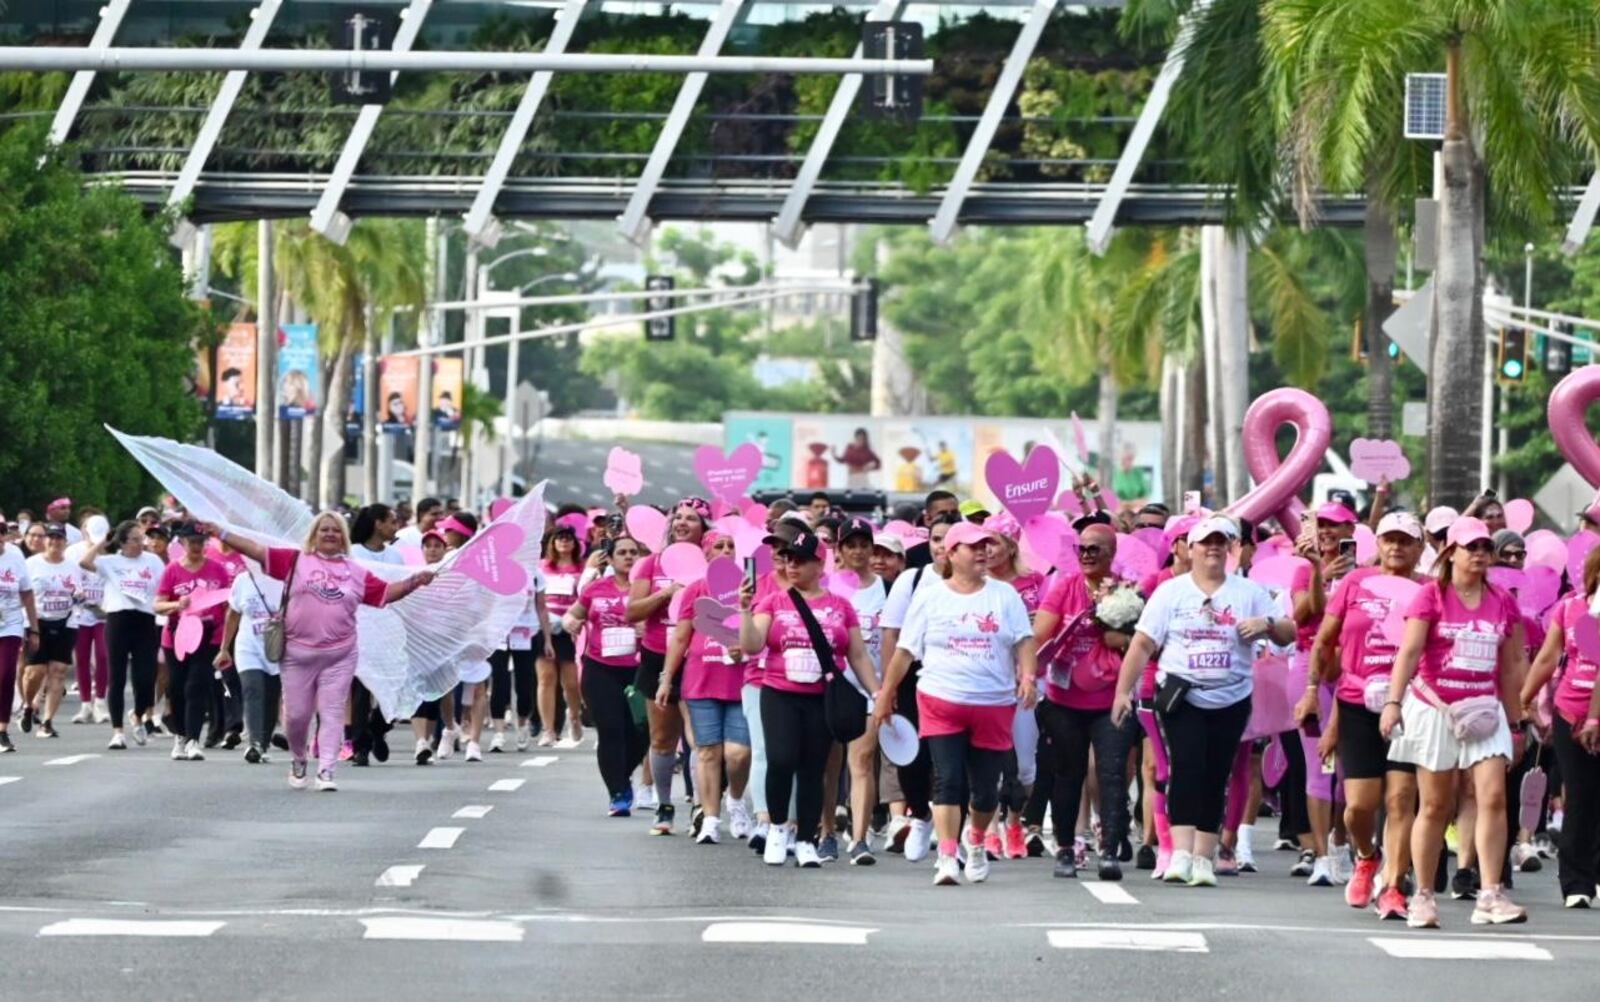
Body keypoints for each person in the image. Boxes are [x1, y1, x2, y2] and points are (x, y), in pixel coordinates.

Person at [1112, 516, 1294, 887]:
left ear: (1230, 549)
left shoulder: (1248, 593)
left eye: (1220, 542)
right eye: (1205, 542)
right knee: (1186, 767)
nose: (1213, 548)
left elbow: (1289, 633)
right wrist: (1121, 692)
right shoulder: (1171, 592)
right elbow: (1143, 643)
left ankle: (1203, 857)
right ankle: (1180, 852)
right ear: (1189, 549)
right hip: (1184, 695)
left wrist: (1267, 625)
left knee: (1217, 774)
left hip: (1232, 697)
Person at [1379, 516, 1529, 927]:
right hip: (1435, 707)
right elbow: (1408, 653)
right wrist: (1393, 702)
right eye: (1472, 548)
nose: (1480, 554)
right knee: (1435, 803)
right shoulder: (1431, 596)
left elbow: (1514, 663)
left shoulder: (1503, 600)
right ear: (1451, 553)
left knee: (1494, 796)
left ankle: (1491, 894)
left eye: (1485, 548)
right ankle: (1424, 895)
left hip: (1485, 709)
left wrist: (1517, 722)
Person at [217, 514, 434, 791]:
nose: (330, 534)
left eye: (335, 530)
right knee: (297, 718)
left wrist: (415, 581)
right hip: (297, 656)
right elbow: (257, 551)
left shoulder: (355, 572)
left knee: (331, 713)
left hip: (340, 655)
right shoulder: (295, 561)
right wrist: (221, 534)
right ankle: (298, 758)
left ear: (343, 537)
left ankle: (327, 771)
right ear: (314, 534)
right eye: (324, 530)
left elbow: (386, 594)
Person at [874, 521, 1037, 886]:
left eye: (986, 546)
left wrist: (1027, 677)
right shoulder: (931, 596)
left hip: (993, 701)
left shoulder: (1004, 595)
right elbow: (905, 651)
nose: (982, 552)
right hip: (941, 696)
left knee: (984, 788)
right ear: (951, 554)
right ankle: (947, 855)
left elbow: (1024, 641)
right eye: (972, 547)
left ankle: (975, 841)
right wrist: (886, 694)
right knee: (946, 780)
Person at [1300, 512, 1424, 917]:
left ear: (1419, 548)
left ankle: (1392, 886)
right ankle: (1367, 856)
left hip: (1410, 706)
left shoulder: (1428, 590)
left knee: (1401, 798)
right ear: (1378, 543)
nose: (1396, 547)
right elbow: (1325, 641)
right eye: (1389, 539)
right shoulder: (1355, 583)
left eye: (1405, 541)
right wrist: (1312, 692)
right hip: (1356, 702)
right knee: (1358, 807)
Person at [739, 527, 879, 868]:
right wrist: (744, 610)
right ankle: (776, 828)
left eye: (801, 561)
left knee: (813, 769)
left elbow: (857, 654)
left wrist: (877, 693)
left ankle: (805, 840)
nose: (792, 567)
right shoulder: (772, 601)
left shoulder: (840, 606)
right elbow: (752, 645)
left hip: (821, 697)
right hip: (779, 692)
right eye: (788, 560)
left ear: (820, 565)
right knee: (781, 759)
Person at [1032, 522, 1140, 880]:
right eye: (1083, 549)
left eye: (1096, 549)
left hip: (1110, 699)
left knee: (1111, 774)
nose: (1088, 555)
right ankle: (1066, 848)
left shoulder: (1126, 590)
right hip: (1063, 699)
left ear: (1111, 553)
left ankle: (1109, 850)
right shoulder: (1064, 588)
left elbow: (1140, 642)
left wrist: (1115, 633)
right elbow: (1039, 635)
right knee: (1068, 774)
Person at [658, 530, 752, 846]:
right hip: (701, 682)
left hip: (740, 683)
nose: (725, 550)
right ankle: (710, 818)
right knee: (707, 751)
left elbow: (760, 633)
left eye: (731, 545)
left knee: (738, 754)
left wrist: (745, 647)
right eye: (719, 546)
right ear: (706, 553)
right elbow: (681, 638)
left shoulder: (749, 589)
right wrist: (666, 678)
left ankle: (736, 801)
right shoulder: (696, 590)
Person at [627, 497, 711, 834]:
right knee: (662, 739)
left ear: (703, 528)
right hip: (657, 656)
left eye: (691, 519)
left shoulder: (713, 562)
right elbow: (632, 613)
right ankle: (664, 805)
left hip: (702, 658)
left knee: (702, 739)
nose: (682, 523)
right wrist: (667, 594)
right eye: (678, 517)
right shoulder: (652, 564)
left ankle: (703, 805)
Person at [879, 513, 960, 861]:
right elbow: (891, 635)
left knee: (954, 762)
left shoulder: (979, 584)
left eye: (949, 540)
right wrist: (889, 686)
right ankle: (921, 815)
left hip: (958, 678)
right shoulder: (912, 580)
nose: (942, 547)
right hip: (913, 676)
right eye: (936, 539)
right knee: (912, 758)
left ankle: (953, 838)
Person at [1289, 501, 1359, 887]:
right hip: (1309, 671)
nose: (1330, 533)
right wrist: (1318, 570)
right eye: (1324, 526)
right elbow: (1304, 613)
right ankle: (1320, 857)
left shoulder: (1365, 573)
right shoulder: (1304, 568)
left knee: (1348, 770)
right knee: (1319, 768)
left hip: (1351, 671)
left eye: (1338, 527)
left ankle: (1340, 844)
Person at [566, 534, 647, 816]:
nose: (628, 557)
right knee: (611, 730)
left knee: (640, 731)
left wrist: (645, 631)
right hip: (600, 668)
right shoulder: (595, 589)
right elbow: (572, 614)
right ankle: (618, 793)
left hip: (638, 668)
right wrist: (572, 623)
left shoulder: (647, 590)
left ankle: (621, 776)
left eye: (633, 552)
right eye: (622, 553)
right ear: (610, 559)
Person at [80, 521, 165, 750]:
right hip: (118, 620)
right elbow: (84, 562)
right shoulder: (110, 562)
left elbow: (164, 586)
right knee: (116, 677)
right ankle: (118, 731)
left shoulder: (153, 561)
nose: (141, 544)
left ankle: (137, 715)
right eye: (135, 539)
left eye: (142, 539)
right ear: (123, 542)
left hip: (145, 620)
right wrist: (101, 543)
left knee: (146, 677)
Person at [153, 524, 233, 761]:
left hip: (209, 635)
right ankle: (180, 734)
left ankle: (193, 740)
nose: (196, 546)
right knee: (176, 688)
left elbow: (228, 605)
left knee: (197, 686)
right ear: (183, 544)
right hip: (177, 636)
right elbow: (158, 604)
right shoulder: (172, 570)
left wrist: (225, 643)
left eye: (200, 541)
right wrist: (177, 605)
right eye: (191, 542)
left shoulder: (217, 570)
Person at [215, 557, 284, 764]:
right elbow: (233, 614)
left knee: (271, 696)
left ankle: (262, 744)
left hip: (276, 646)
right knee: (253, 689)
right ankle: (253, 743)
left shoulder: (283, 580)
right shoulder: (242, 581)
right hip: (248, 647)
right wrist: (224, 648)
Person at [20, 525, 79, 740]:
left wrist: (79, 596)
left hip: (66, 622)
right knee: (34, 672)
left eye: (59, 538)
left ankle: (47, 722)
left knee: (59, 670)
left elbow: (78, 591)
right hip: (37, 622)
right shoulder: (31, 565)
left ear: (66, 542)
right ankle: (28, 705)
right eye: (51, 537)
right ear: (45, 540)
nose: (55, 542)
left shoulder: (72, 567)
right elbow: (23, 593)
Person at [534, 525, 585, 749]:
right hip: (544, 628)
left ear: (575, 543)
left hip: (570, 629)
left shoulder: (582, 569)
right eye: (559, 539)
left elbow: (585, 598)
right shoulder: (542, 567)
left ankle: (574, 715)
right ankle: (548, 729)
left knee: (571, 682)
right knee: (546, 679)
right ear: (552, 543)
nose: (564, 542)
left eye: (568, 538)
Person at [68, 513, 110, 725]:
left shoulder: (111, 554)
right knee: (82, 659)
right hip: (81, 612)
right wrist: (77, 594)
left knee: (103, 657)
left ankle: (101, 702)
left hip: (103, 613)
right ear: (83, 530)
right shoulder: (73, 551)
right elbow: (69, 578)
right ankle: (85, 704)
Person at [0, 528, 39, 753]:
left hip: (10, 624)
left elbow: (26, 593)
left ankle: (2, 730)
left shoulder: (15, 557)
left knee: (5, 675)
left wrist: (34, 629)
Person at [904, 490, 961, 570]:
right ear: (928, 519)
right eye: (943, 514)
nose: (950, 517)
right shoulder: (913, 557)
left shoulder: (970, 551)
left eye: (954, 513)